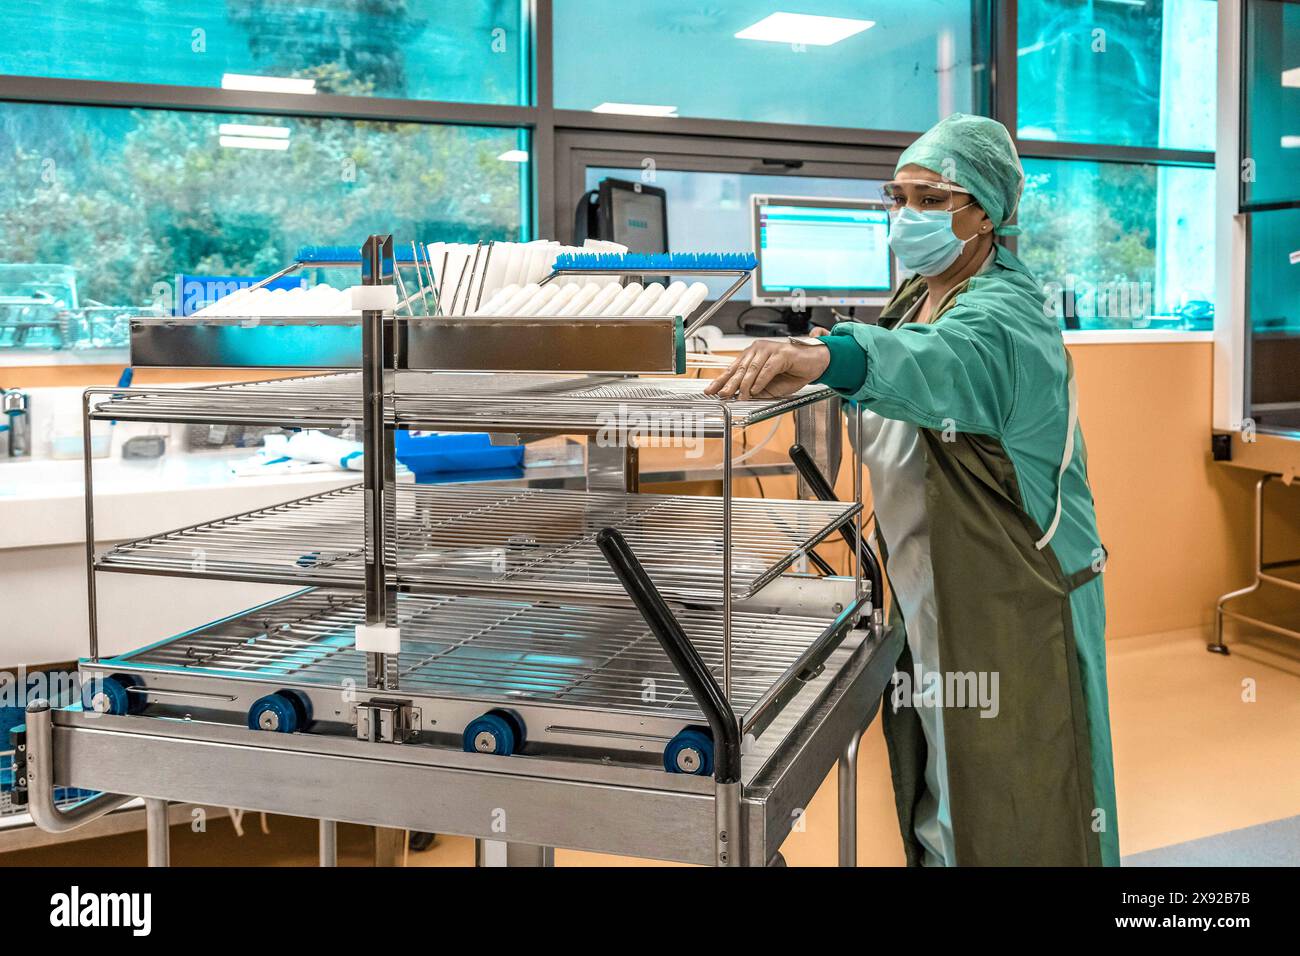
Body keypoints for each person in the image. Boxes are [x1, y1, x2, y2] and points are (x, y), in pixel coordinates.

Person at [705, 113, 1117, 866]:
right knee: (945, 780)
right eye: (899, 198)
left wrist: (820, 357)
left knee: (1017, 797)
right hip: (933, 581)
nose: (908, 218)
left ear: (985, 213)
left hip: (1014, 592)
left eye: (932, 200)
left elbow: (932, 364)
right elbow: (898, 352)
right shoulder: (918, 295)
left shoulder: (1004, 316)